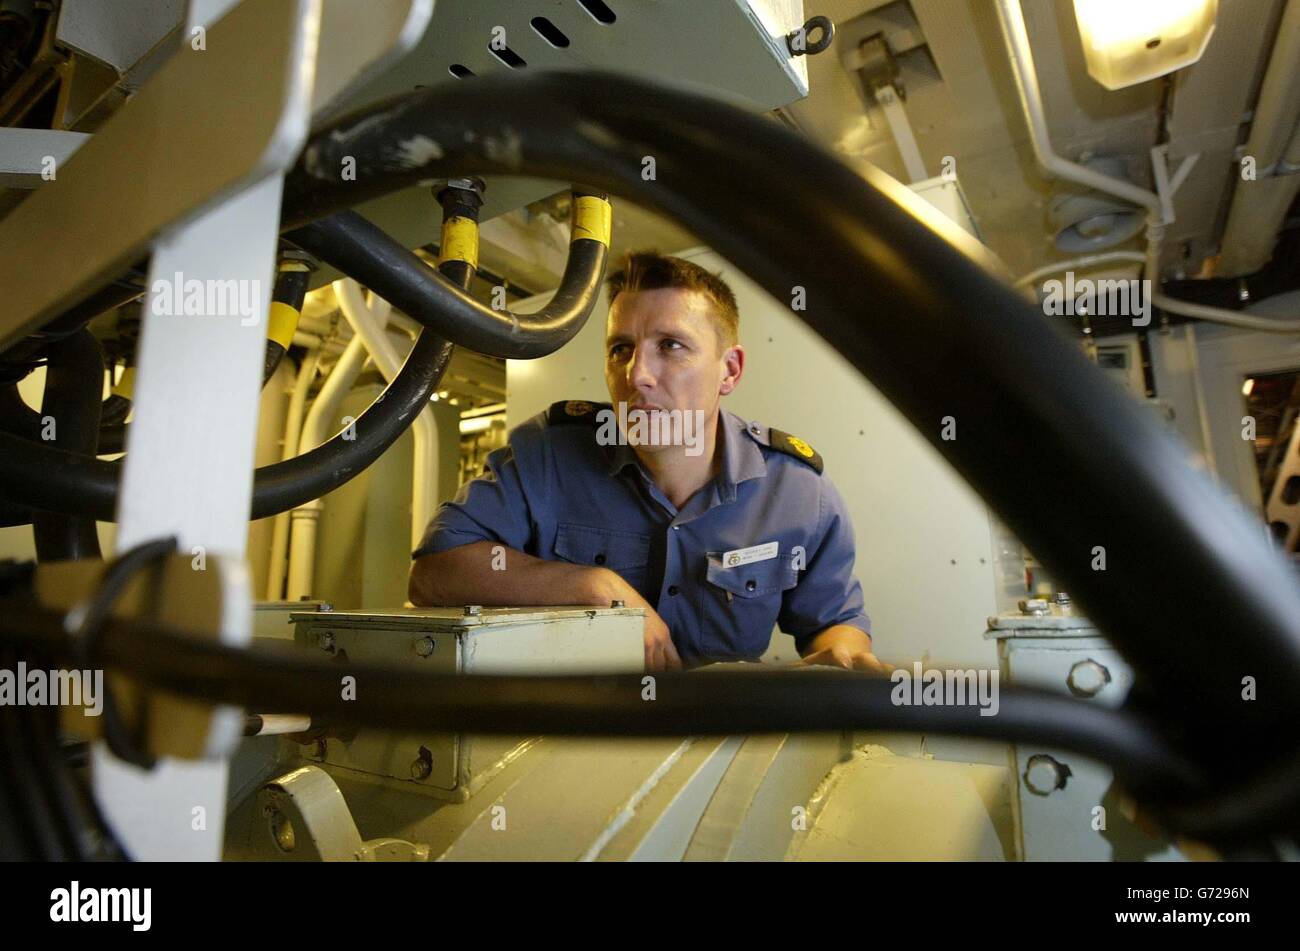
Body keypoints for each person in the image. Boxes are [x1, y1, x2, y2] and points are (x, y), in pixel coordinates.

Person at [409, 251, 886, 674]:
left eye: (671, 346)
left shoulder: (798, 494)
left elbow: (835, 624)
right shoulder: (548, 457)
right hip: (570, 737)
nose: (637, 375)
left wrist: (841, 655)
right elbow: (434, 573)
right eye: (621, 349)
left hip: (715, 744)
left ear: (730, 370)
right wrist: (594, 587)